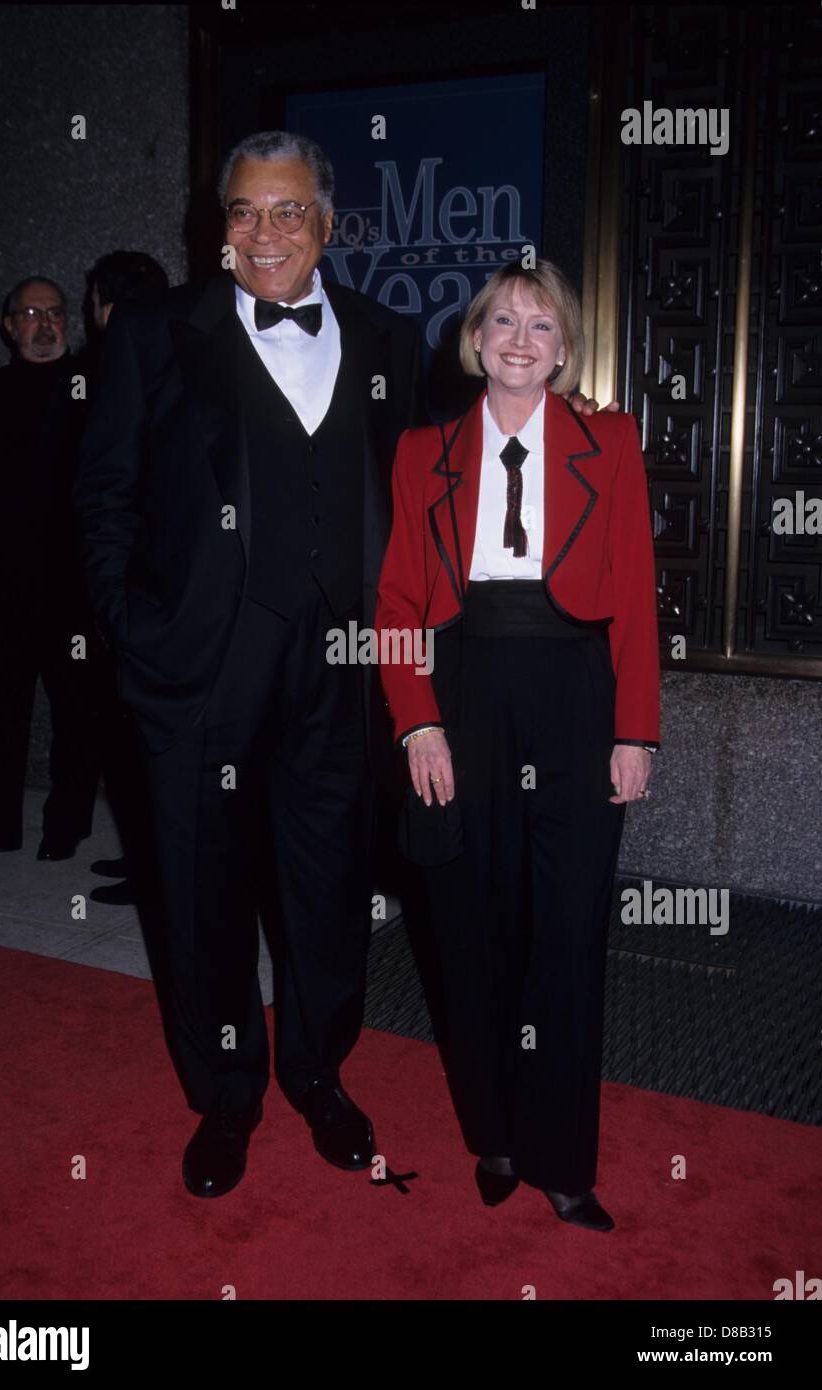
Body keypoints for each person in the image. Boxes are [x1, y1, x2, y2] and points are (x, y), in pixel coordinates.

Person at [73, 131, 425, 1198]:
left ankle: (317, 1071)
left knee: (326, 885)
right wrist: (137, 632)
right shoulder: (149, 335)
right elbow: (101, 502)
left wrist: (565, 416)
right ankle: (227, 1092)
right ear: (214, 224)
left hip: (338, 662)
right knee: (199, 890)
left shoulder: (385, 336)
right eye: (240, 211)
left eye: (284, 212)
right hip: (199, 668)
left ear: (326, 224)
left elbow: (428, 482)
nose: (260, 233)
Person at [375, 260, 660, 1231]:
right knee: (469, 918)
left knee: (567, 928)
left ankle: (561, 1158)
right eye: (503, 320)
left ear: (563, 349)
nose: (520, 338)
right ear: (474, 338)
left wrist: (634, 732)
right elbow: (399, 604)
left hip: (576, 692)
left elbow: (632, 595)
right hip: (462, 688)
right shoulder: (422, 452)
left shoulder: (609, 439)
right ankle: (493, 1131)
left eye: (542, 326)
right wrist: (415, 717)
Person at [0, 277, 101, 861]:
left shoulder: (92, 386)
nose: (44, 323)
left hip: (73, 592)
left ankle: (67, 826)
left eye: (55, 312)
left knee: (78, 716)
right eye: (30, 313)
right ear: (8, 327)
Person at [81, 251, 169, 907]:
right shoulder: (182, 342)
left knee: (144, 746)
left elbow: (107, 485)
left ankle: (153, 869)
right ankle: (148, 862)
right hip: (159, 589)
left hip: (144, 591)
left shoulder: (122, 351)